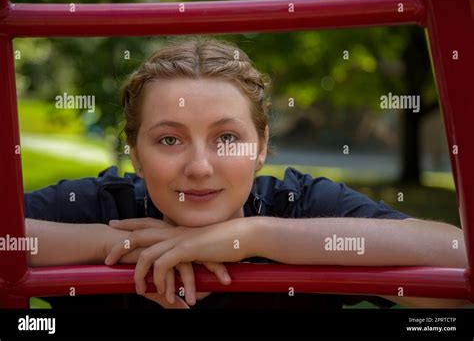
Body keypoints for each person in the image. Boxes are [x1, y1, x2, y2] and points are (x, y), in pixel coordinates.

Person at [25, 37, 470, 309]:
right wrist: (120, 244)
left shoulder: (300, 208)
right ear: (135, 155)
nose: (199, 167)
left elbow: (458, 260)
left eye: (226, 138)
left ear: (261, 147)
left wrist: (255, 236)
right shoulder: (104, 207)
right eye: (168, 140)